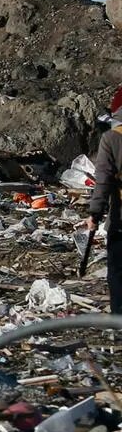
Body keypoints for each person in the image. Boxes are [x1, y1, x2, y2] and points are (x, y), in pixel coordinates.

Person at [85, 112, 122, 313]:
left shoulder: (112, 139)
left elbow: (104, 181)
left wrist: (95, 213)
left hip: (121, 221)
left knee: (118, 274)